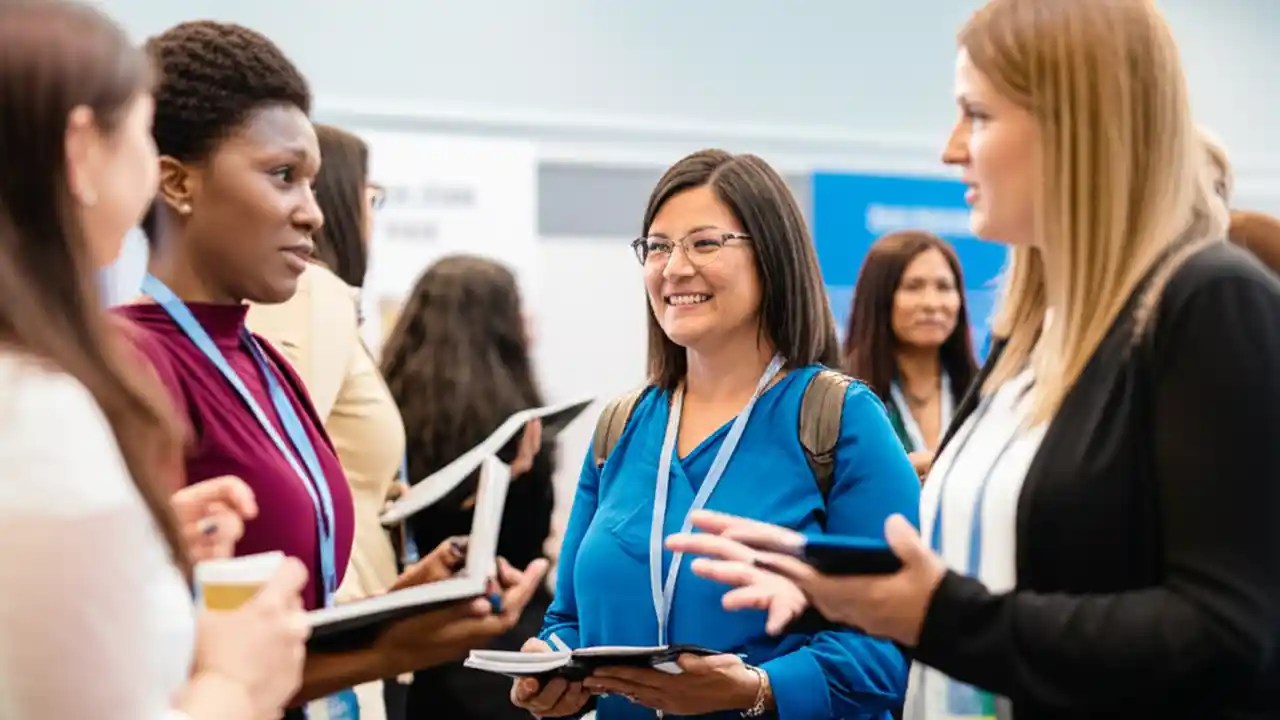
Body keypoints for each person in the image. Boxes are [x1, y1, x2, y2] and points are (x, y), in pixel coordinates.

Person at [669, 1, 1280, 718]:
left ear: (1075, 124)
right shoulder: (1034, 334)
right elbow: (1010, 575)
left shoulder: (1210, 304)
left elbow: (1227, 634)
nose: (951, 148)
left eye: (977, 115)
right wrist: (838, 586)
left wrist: (935, 616)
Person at [113, 19, 547, 715]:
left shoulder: (264, 363)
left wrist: (398, 616)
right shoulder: (129, 368)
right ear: (176, 182)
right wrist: (390, 646)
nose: (313, 214)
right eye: (283, 176)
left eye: (313, 183)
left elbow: (281, 641)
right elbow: (151, 671)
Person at [510, 149, 920, 720]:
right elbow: (570, 621)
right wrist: (550, 667)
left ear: (770, 256)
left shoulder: (840, 420)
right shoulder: (622, 429)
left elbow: (892, 640)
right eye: (657, 247)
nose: (674, 268)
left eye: (704, 243)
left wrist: (757, 689)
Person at [0, 2, 310, 718]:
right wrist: (235, 683)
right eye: (140, 134)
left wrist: (134, 548)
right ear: (82, 152)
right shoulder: (41, 415)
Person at [380, 255, 557, 720]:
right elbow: (530, 545)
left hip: (419, 647)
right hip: (508, 647)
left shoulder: (384, 416)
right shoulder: (520, 425)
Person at [841, 231, 979, 478]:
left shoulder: (985, 393)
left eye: (944, 287)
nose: (931, 303)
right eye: (913, 287)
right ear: (880, 298)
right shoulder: (841, 398)